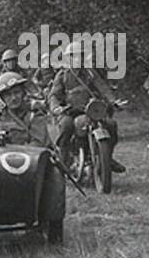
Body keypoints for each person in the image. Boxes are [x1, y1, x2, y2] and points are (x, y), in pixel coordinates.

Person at [0, 70, 67, 242]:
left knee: (54, 175)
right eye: (8, 95)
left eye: (17, 92)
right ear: (1, 98)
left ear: (24, 92)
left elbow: (39, 143)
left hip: (30, 167)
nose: (13, 98)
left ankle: (49, 223)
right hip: (0, 168)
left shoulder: (34, 113)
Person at [49, 41, 126, 173]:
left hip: (90, 111)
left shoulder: (90, 73)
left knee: (111, 124)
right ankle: (64, 161)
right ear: (69, 58)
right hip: (69, 112)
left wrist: (113, 101)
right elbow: (54, 95)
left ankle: (107, 157)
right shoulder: (62, 75)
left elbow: (103, 88)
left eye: (81, 56)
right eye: (74, 56)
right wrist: (56, 107)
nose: (78, 59)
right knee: (67, 126)